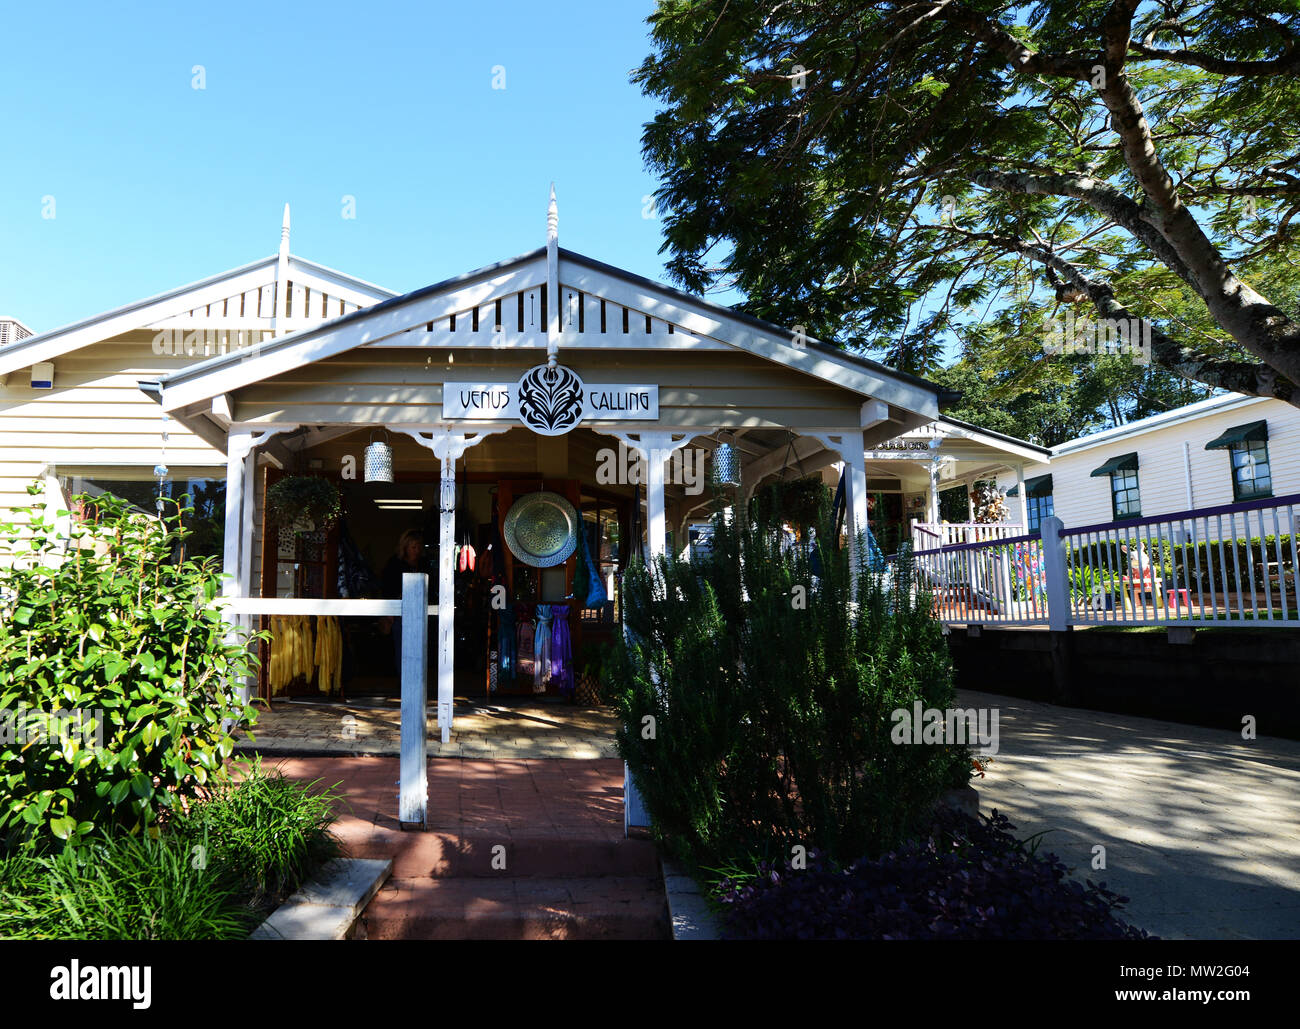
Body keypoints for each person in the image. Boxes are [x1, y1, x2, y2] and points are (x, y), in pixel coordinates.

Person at [380, 529, 429, 674]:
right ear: (405, 547)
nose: (417, 550)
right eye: (413, 547)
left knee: (419, 647)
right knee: (402, 647)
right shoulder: (395, 564)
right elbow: (387, 587)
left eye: (419, 546)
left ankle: (416, 676)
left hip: (419, 613)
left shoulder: (423, 564)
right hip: (399, 613)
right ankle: (403, 679)